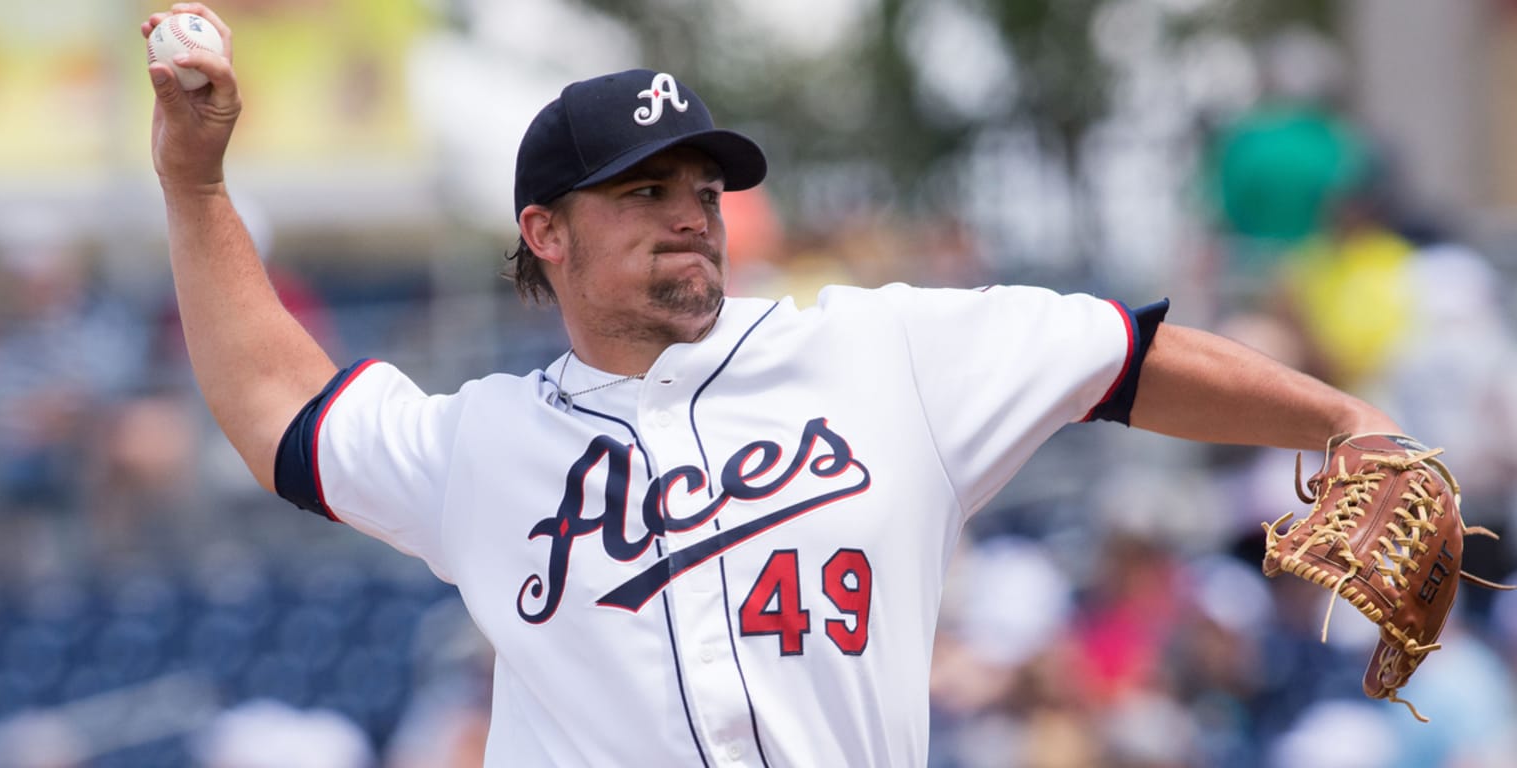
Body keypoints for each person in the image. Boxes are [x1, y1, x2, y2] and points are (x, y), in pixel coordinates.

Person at [144, 4, 1406, 765]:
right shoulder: (479, 444)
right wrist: (196, 189)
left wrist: (1341, 418)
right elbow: (283, 414)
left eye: (703, 191)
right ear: (545, 233)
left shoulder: (884, 351)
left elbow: (1117, 358)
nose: (691, 215)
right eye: (644, 192)